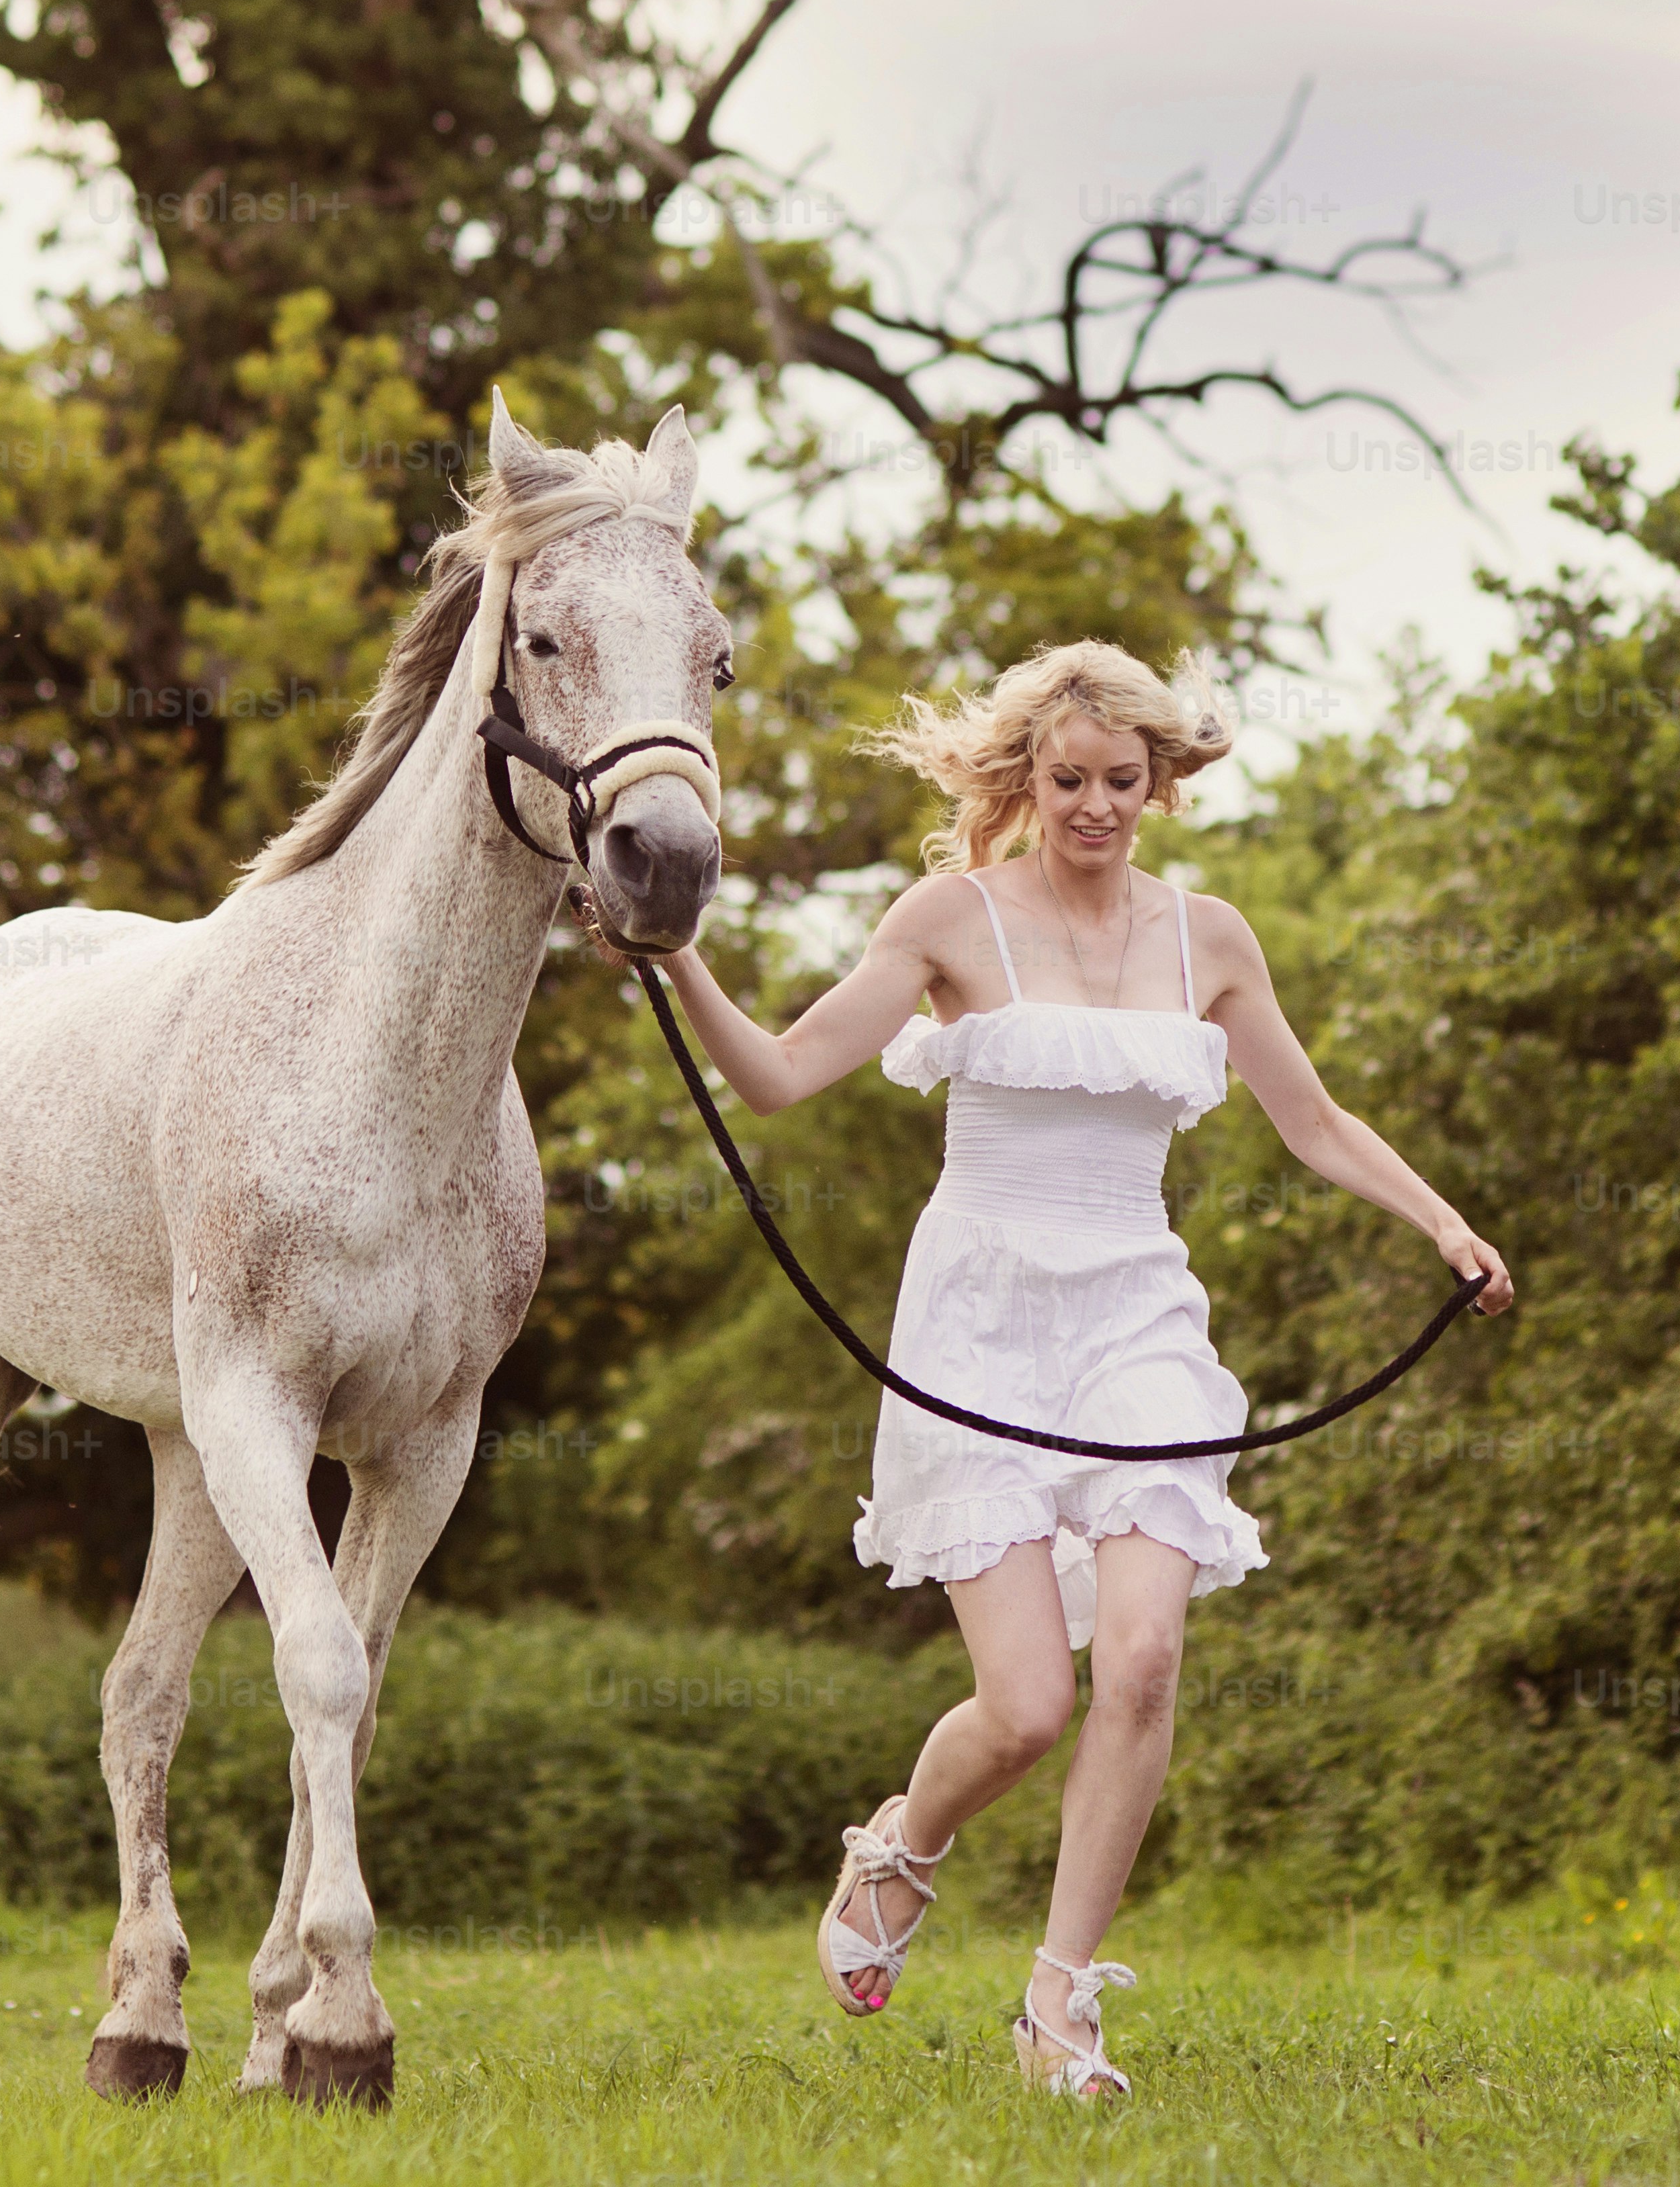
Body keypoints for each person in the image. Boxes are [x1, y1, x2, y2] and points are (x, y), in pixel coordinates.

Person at [649, 639, 1514, 2100]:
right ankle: (902, 1845)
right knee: (1026, 1704)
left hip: (1133, 1311)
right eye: (1068, 781)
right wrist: (671, 949)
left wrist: (1443, 1220)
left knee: (1143, 1656)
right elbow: (783, 1076)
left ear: (1160, 780)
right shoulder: (948, 915)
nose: (1095, 806)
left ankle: (1059, 2004)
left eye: (1124, 780)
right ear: (1025, 779)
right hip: (975, 1316)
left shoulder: (1209, 937)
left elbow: (1310, 1122)